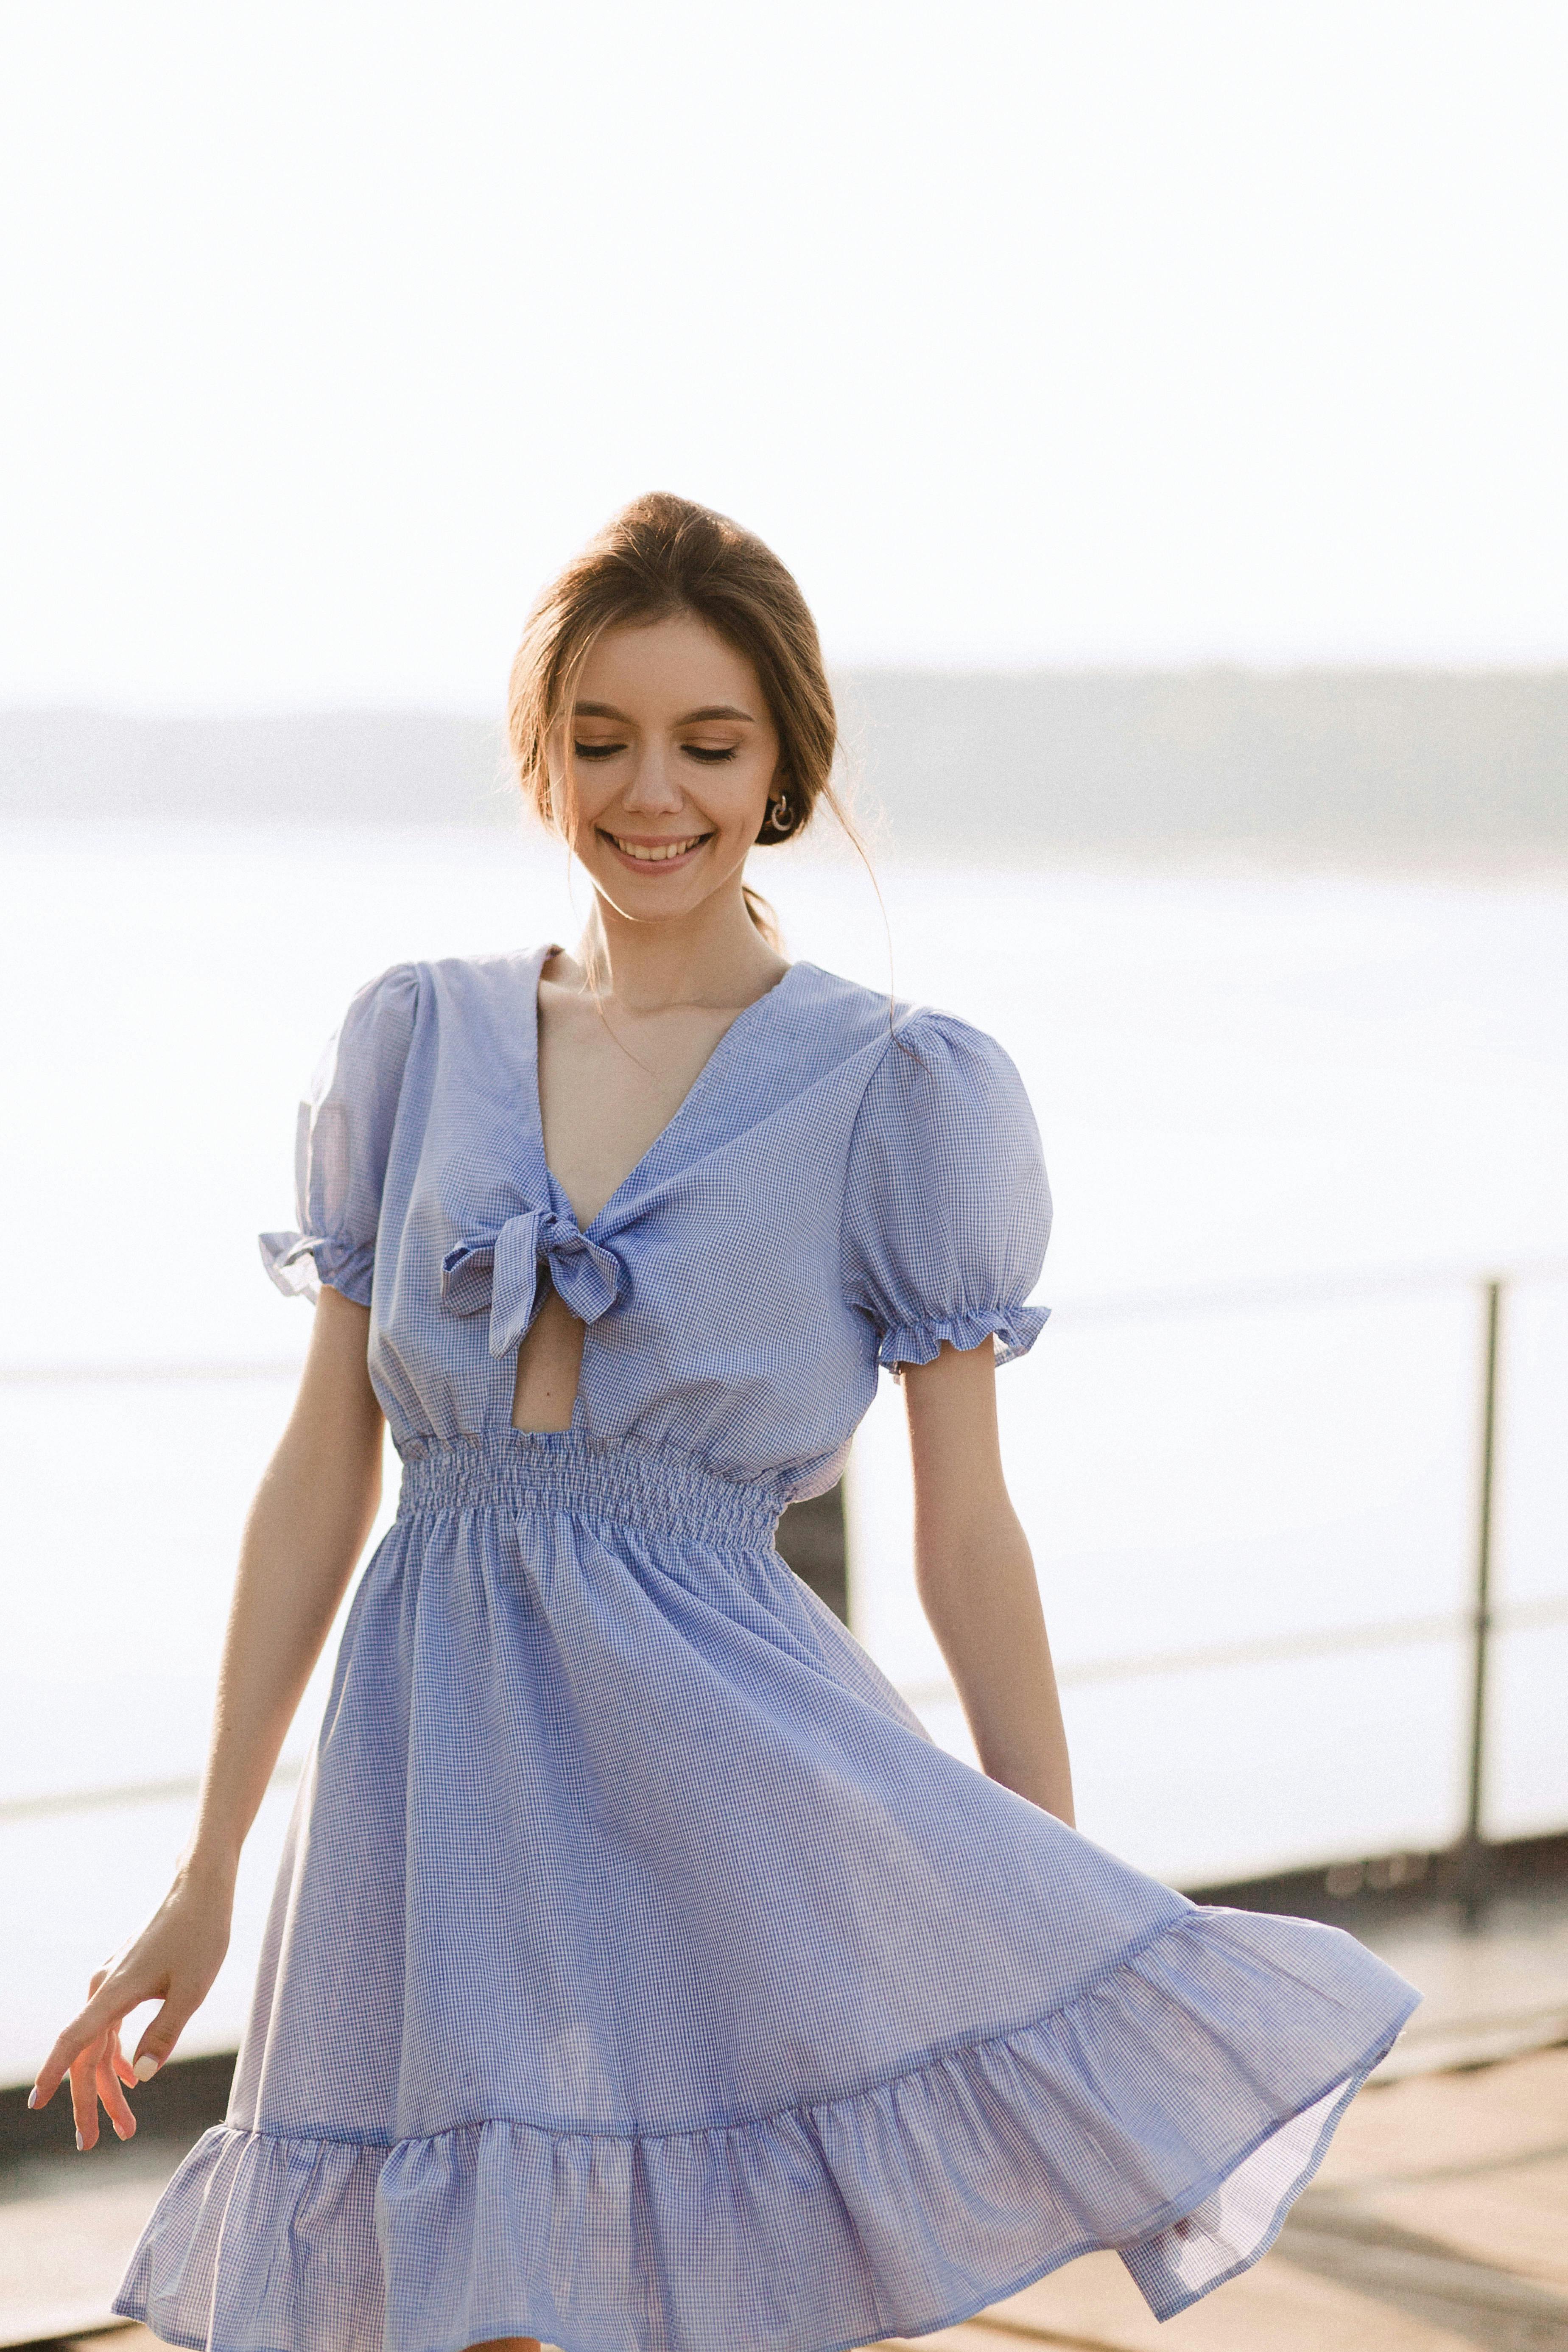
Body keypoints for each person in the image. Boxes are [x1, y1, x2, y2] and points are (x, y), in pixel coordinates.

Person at [33, 494, 1417, 2352]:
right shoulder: (410, 1042)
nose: (649, 792)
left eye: (708, 742)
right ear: (540, 753)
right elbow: (317, 1474)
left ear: (781, 765)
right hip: (421, 1785)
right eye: (599, 740)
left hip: (726, 1781)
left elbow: (965, 1529)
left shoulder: (895, 1086)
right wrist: (205, 1871)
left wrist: (1043, 1905)